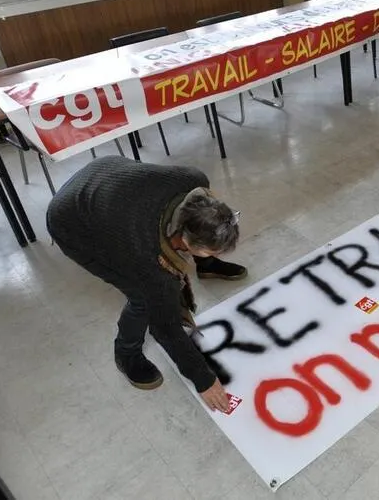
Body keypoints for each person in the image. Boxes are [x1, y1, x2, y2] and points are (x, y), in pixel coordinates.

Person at [46, 156, 247, 413]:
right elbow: (166, 327)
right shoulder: (144, 253)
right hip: (73, 221)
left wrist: (207, 252)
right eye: (209, 252)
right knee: (142, 297)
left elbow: (197, 227)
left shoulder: (195, 182)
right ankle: (126, 352)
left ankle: (207, 267)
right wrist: (203, 379)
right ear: (183, 242)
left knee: (204, 236)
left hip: (109, 177)